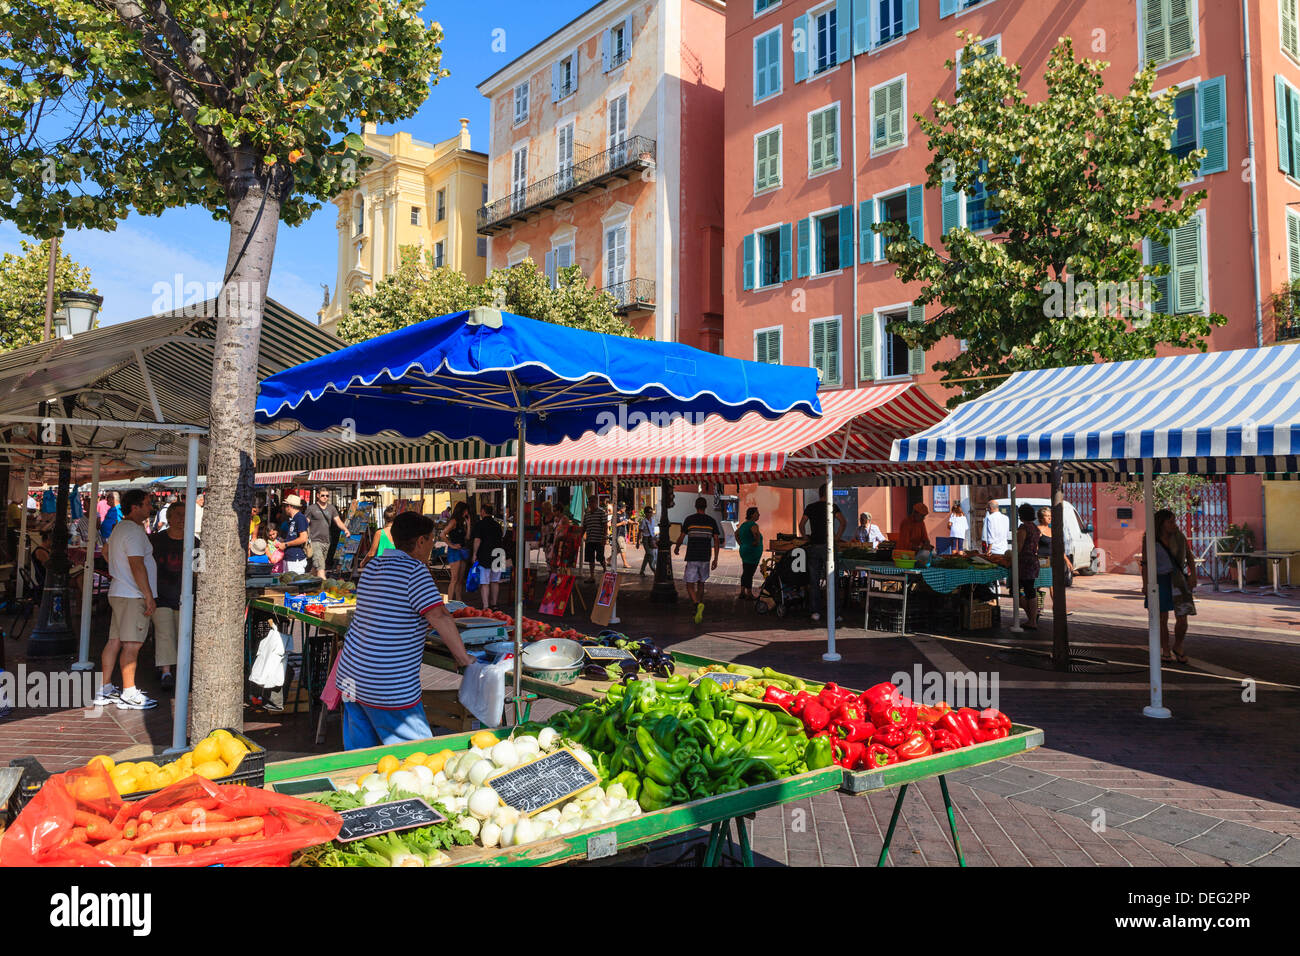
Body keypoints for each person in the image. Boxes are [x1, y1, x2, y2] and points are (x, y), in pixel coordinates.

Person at [335, 511, 474, 750]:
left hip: (349, 677)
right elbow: (439, 615)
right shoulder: (415, 571)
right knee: (418, 759)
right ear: (421, 541)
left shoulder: (372, 566)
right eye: (431, 539)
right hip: (385, 684)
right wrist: (464, 658)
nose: (433, 545)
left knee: (359, 758)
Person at [93, 489, 158, 710]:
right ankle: (129, 692)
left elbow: (105, 551)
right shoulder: (133, 531)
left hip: (119, 591)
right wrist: (148, 595)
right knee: (133, 644)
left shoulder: (121, 527)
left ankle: (105, 688)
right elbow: (137, 564)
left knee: (115, 641)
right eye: (148, 504)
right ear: (136, 507)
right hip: (132, 594)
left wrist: (118, 568)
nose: (151, 508)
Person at [150, 502, 198, 692]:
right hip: (160, 595)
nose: (181, 519)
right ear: (169, 517)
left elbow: (199, 571)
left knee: (181, 634)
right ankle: (166, 672)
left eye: (185, 515)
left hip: (184, 597)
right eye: (178, 514)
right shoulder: (155, 541)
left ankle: (180, 670)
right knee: (164, 632)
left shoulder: (194, 542)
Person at [1141, 509, 1197, 664]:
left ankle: (1178, 645)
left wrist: (1193, 575)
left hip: (1178, 579)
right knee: (1161, 617)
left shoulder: (1179, 537)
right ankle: (1165, 649)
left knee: (1182, 617)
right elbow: (1145, 563)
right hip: (1159, 580)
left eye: (1174, 521)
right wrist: (1145, 584)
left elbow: (1189, 556)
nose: (1174, 525)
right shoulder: (1150, 539)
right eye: (1170, 522)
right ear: (1161, 523)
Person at [800, 484, 848, 623]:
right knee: (833, 580)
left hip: (814, 545)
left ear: (819, 493)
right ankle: (836, 613)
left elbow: (801, 524)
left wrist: (804, 536)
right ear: (828, 493)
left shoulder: (810, 507)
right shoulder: (832, 507)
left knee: (814, 581)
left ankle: (815, 612)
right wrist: (837, 538)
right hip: (829, 547)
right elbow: (843, 522)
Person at [675, 496, 722, 624]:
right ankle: (699, 604)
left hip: (692, 556)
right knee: (701, 583)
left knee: (689, 584)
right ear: (705, 507)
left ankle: (696, 605)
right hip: (705, 557)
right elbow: (716, 540)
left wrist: (677, 547)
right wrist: (716, 558)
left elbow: (681, 536)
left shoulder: (689, 520)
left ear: (695, 506)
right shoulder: (711, 521)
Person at [305, 488, 349, 579]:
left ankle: (308, 580)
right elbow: (306, 522)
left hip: (327, 541)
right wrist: (305, 536)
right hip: (315, 540)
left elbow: (338, 521)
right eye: (323, 495)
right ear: (318, 495)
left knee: (316, 565)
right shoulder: (311, 508)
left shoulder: (331, 508)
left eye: (327, 496)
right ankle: (324, 587)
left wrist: (345, 529)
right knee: (321, 566)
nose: (325, 497)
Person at [471, 501, 505, 610]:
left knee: (484, 582)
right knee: (495, 581)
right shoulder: (497, 525)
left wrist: (474, 554)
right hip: (498, 554)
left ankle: (486, 606)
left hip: (485, 554)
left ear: (483, 512)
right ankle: (494, 604)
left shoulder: (480, 524)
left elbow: (477, 540)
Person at [1015, 503, 1041, 630]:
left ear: (1021, 515)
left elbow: (1018, 548)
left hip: (1024, 562)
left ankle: (1031, 618)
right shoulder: (1036, 528)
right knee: (1031, 590)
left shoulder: (1023, 528)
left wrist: (1011, 558)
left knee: (1016, 591)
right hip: (1033, 561)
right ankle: (1032, 619)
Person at [442, 501, 472, 602]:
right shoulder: (453, 521)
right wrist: (452, 545)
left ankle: (458, 601)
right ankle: (450, 603)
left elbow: (467, 537)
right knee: (454, 579)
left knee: (460, 580)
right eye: (466, 510)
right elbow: (442, 534)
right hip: (454, 551)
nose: (467, 513)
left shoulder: (461, 522)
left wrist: (468, 525)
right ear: (462, 510)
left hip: (462, 550)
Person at [736, 506, 764, 600]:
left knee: (746, 572)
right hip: (752, 553)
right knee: (749, 573)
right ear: (752, 515)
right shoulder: (753, 525)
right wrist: (756, 541)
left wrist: (741, 544)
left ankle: (742, 592)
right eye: (757, 513)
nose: (759, 514)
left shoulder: (744, 524)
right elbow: (755, 534)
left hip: (745, 550)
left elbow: (736, 533)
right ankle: (749, 594)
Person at [280, 494, 310, 574]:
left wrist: (286, 544)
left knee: (294, 583)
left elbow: (303, 538)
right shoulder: (294, 519)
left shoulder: (300, 518)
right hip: (290, 557)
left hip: (296, 558)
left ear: (289, 506)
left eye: (285, 506)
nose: (284, 508)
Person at [361, 505, 398, 569]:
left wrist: (363, 562)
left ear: (384, 518)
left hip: (382, 567)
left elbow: (371, 553)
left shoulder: (380, 533)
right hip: (396, 566)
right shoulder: (399, 533)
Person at [580, 500, 608, 582]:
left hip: (599, 539)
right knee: (590, 558)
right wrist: (580, 536)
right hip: (589, 539)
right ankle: (592, 576)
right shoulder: (587, 514)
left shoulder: (601, 513)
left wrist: (604, 537)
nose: (590, 505)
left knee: (600, 557)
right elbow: (584, 527)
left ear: (596, 503)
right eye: (589, 503)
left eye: (592, 503)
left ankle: (605, 569)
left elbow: (605, 526)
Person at [638, 505, 659, 577]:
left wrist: (656, 538)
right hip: (646, 540)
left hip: (652, 539)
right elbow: (639, 532)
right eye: (649, 512)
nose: (650, 514)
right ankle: (655, 571)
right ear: (645, 513)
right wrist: (637, 542)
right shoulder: (643, 521)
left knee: (647, 556)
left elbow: (653, 530)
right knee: (650, 555)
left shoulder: (653, 520)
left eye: (651, 512)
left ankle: (642, 571)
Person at [611, 503, 631, 569]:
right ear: (620, 508)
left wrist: (634, 523)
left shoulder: (625, 514)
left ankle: (608, 560)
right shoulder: (615, 515)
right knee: (623, 548)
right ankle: (625, 563)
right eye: (623, 507)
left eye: (625, 507)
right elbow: (613, 525)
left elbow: (628, 520)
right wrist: (621, 523)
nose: (625, 508)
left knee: (618, 550)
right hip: (618, 534)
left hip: (623, 534)